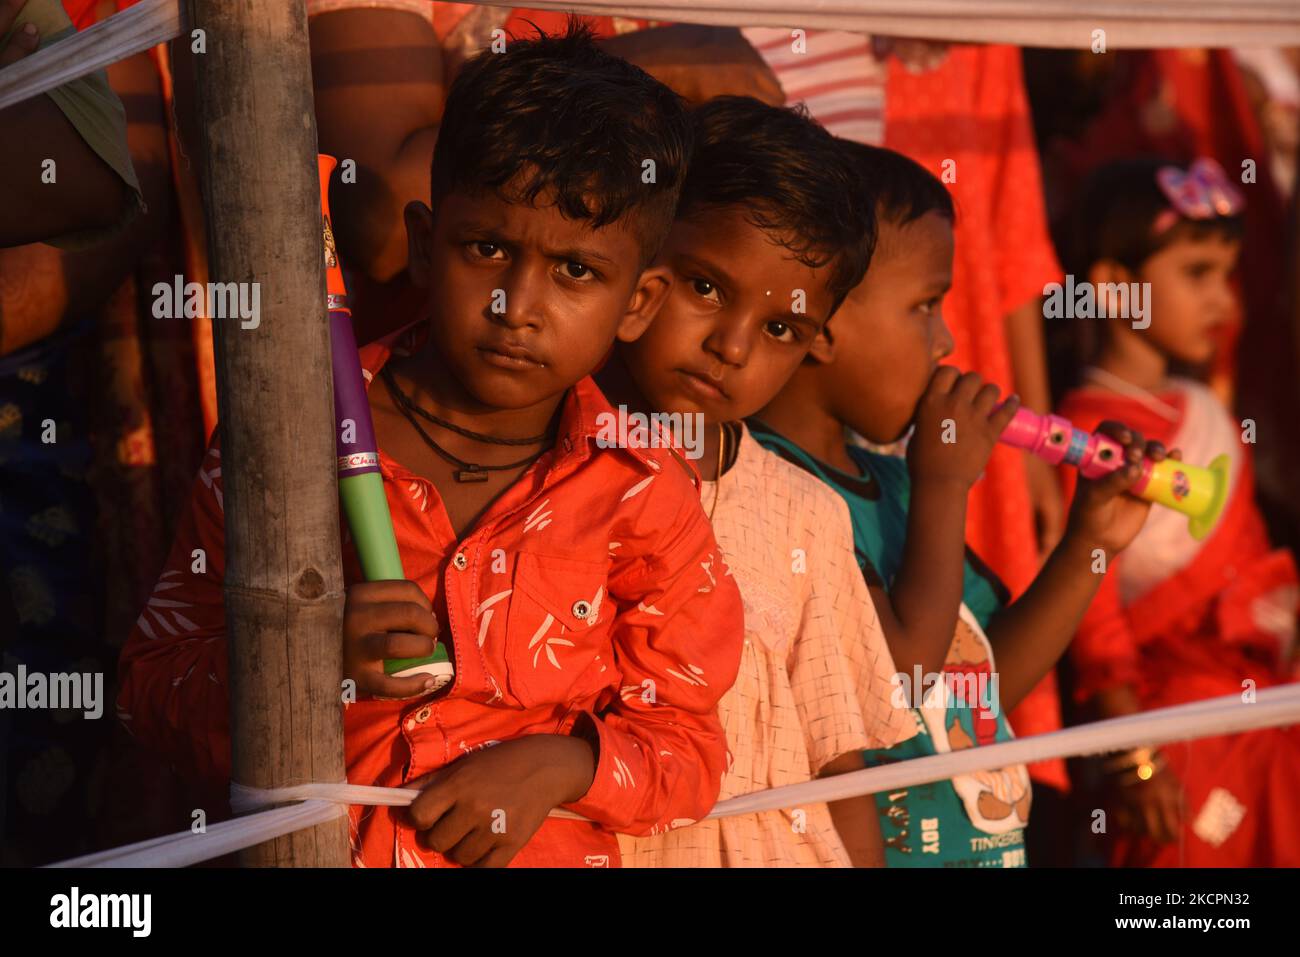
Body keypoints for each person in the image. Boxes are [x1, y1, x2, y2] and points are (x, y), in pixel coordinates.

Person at [117, 25, 746, 869]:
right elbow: (149, 689)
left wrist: (564, 765)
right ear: (422, 244)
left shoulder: (639, 485)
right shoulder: (289, 443)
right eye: (487, 249)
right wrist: (304, 655)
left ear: (639, 303)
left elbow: (687, 742)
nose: (516, 304)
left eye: (576, 273)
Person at [751, 142, 1163, 867]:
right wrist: (945, 487)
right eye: (924, 305)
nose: (945, 341)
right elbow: (905, 681)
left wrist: (1090, 541)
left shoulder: (895, 482)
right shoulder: (772, 490)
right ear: (822, 321)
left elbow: (979, 689)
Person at [600, 97, 915, 867]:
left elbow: (838, 762)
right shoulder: (559, 473)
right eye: (706, 287)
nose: (731, 347)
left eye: (781, 329)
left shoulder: (808, 515)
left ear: (815, 341)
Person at [1056, 157, 1300, 867]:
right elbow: (1093, 611)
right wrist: (1133, 758)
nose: (1223, 300)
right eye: (1197, 274)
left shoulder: (1201, 407)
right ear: (1111, 287)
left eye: (1226, 275)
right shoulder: (1085, 432)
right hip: (1176, 732)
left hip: (1267, 700)